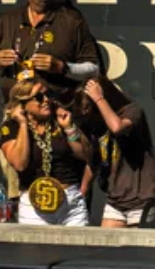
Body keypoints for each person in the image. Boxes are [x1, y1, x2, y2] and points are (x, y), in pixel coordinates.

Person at [0, 76, 90, 225]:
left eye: (49, 94)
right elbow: (19, 164)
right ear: (23, 103)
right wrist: (23, 124)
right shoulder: (11, 127)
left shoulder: (60, 119)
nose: (46, 100)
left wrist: (68, 128)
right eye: (39, 97)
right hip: (33, 206)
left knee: (77, 248)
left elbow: (84, 155)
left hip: (70, 204)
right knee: (35, 249)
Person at [81, 77, 155, 228]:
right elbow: (93, 163)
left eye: (89, 105)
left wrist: (99, 99)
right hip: (115, 201)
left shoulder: (132, 111)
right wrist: (83, 191)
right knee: (106, 248)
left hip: (143, 199)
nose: (86, 110)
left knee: (141, 250)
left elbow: (117, 128)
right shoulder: (97, 126)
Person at [0, 0, 99, 98]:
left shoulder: (72, 21)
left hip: (55, 107)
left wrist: (62, 67)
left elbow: (94, 69)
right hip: (11, 106)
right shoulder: (7, 19)